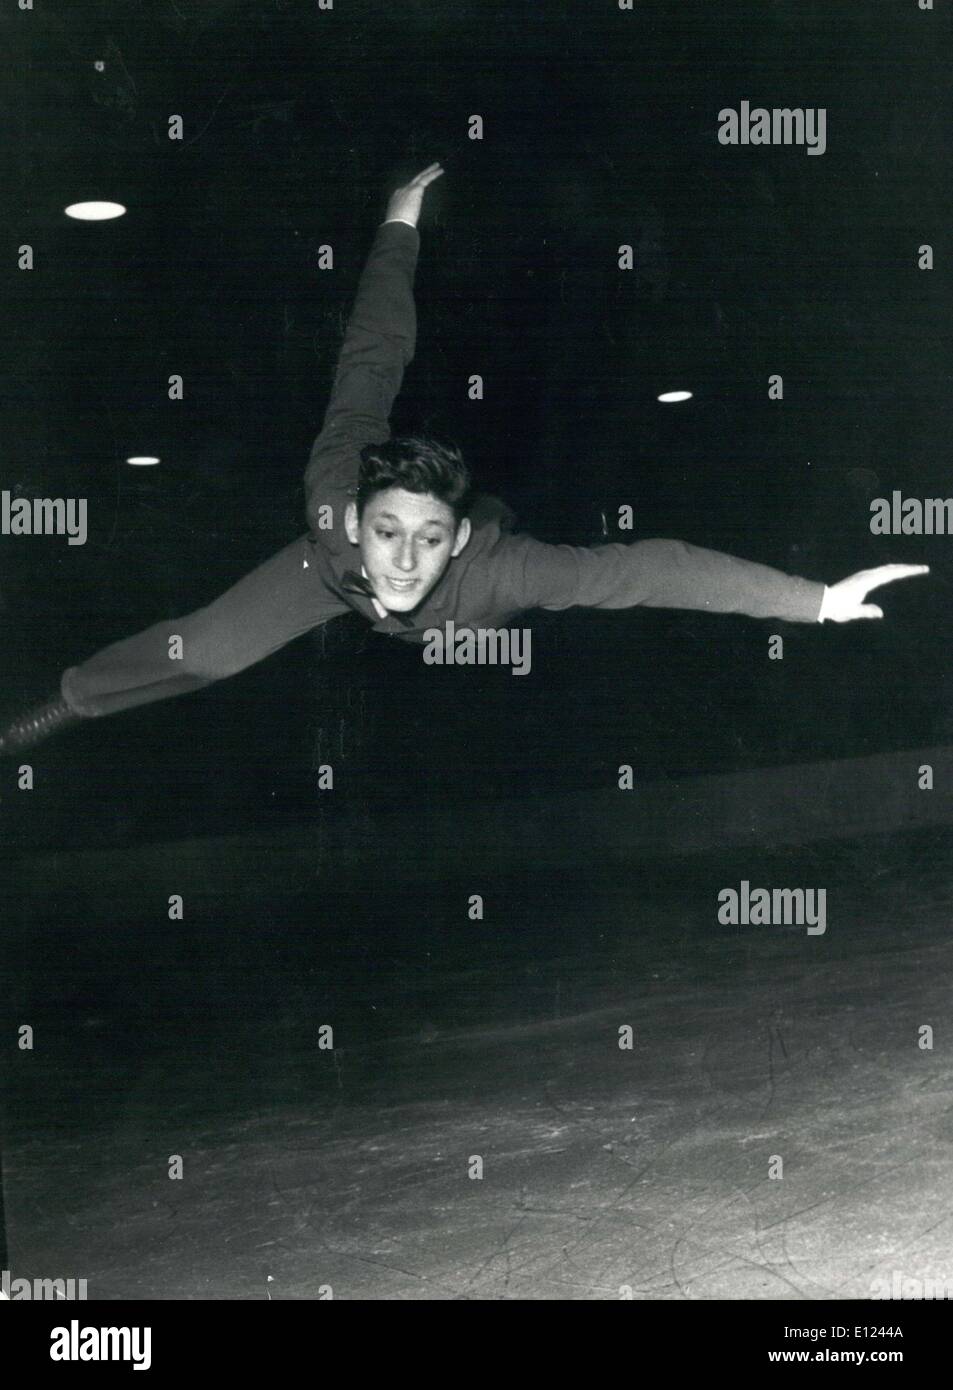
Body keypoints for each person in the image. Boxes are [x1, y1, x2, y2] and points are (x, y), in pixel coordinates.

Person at [0, 162, 928, 757]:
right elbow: (371, 355)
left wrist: (812, 600)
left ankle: (491, 506)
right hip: (325, 584)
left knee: (511, 593)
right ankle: (58, 708)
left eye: (427, 538)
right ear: (355, 519)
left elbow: (653, 570)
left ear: (454, 543)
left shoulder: (497, 567)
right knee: (202, 650)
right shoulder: (332, 498)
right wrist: (398, 222)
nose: (403, 559)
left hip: (484, 581)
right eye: (389, 531)